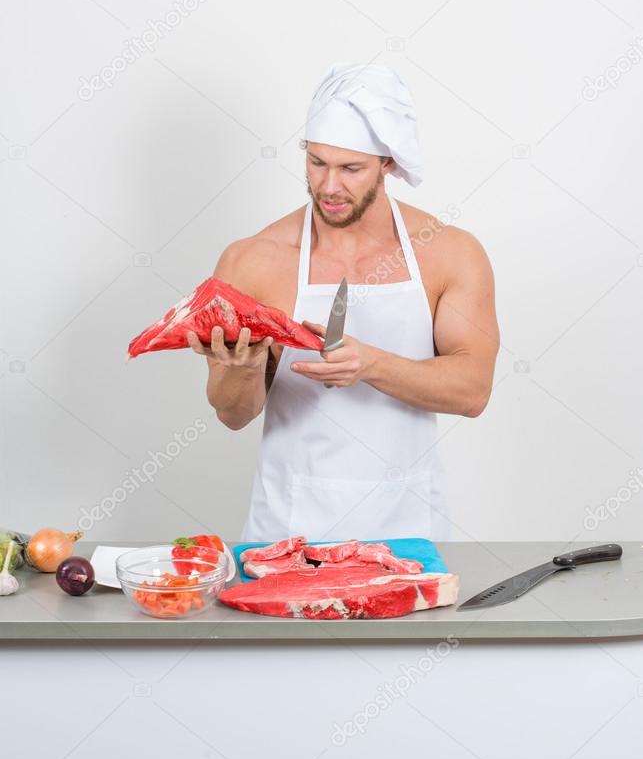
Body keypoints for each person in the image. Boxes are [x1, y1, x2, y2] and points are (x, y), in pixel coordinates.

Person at [188, 62, 500, 543]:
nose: (329, 186)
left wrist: (371, 364)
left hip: (409, 526)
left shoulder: (448, 252)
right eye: (317, 163)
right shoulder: (253, 260)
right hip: (287, 529)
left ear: (387, 163)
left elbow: (473, 391)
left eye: (351, 169)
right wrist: (243, 369)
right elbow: (231, 414)